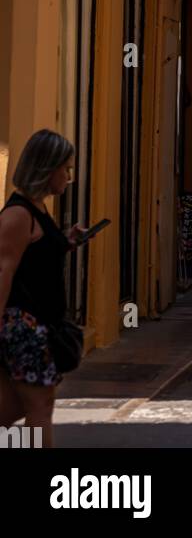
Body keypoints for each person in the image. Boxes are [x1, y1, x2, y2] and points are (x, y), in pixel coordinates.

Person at [0, 130, 89, 449]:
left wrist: (63, 242)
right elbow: (3, 272)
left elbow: (34, 257)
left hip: (37, 325)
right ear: (46, 168)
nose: (68, 175)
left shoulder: (37, 210)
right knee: (40, 407)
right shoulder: (18, 214)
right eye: (65, 168)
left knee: (10, 409)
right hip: (25, 327)